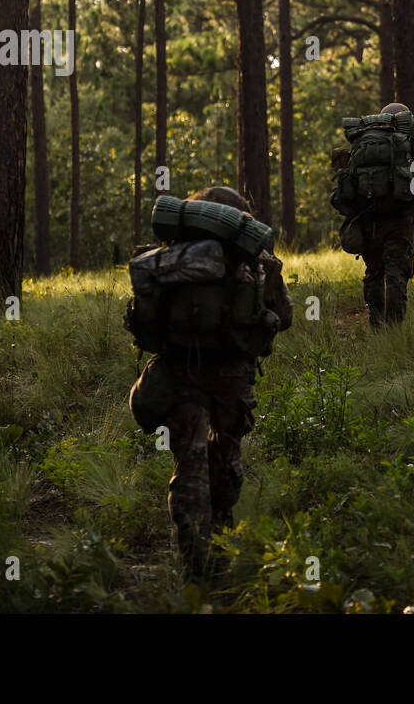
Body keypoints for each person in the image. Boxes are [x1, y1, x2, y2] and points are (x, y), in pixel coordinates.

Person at [125, 186, 291, 579]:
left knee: (190, 463)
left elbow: (143, 320)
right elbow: (282, 318)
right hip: (233, 379)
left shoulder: (173, 258)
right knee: (226, 456)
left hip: (178, 374)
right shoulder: (256, 261)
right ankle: (222, 543)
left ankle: (194, 567)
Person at [331, 103, 414, 326]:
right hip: (398, 220)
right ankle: (394, 329)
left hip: (366, 220)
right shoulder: (412, 147)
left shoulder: (359, 145)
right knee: (396, 272)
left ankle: (377, 325)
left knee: (374, 271)